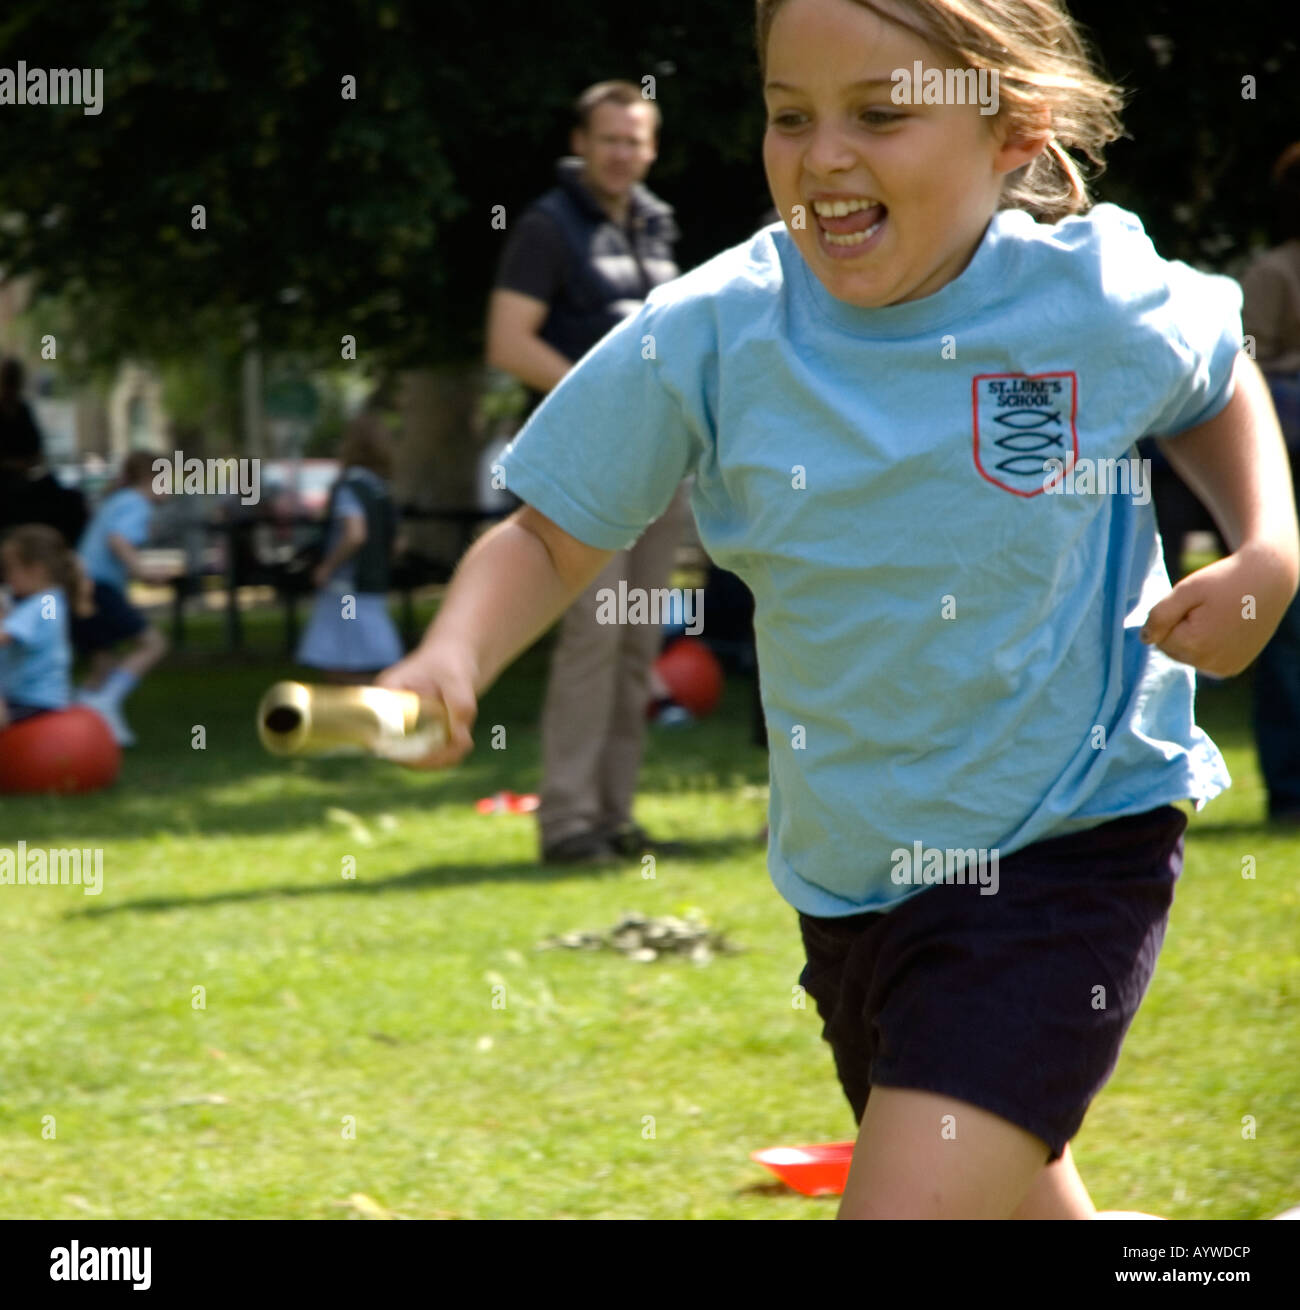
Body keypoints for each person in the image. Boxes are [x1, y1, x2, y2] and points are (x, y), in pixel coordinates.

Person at [377, 0, 1298, 1220]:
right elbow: (550, 528)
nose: (822, 157)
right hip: (852, 882)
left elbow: (1214, 371)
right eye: (788, 116)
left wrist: (1268, 551)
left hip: (1065, 844)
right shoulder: (711, 329)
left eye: (880, 116)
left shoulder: (1090, 296)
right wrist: (452, 651)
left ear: (1010, 131)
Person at [485, 79, 689, 865]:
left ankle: (613, 816)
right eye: (609, 138)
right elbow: (508, 342)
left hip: (658, 457)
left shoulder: (657, 220)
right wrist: (600, 401)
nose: (622, 153)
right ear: (580, 143)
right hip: (582, 462)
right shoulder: (546, 225)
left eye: (635, 139)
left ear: (652, 147)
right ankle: (567, 823)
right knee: (593, 640)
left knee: (638, 639)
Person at [1241, 143, 1300, 820]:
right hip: (1288, 461)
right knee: (1283, 629)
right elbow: (1249, 357)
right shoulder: (1273, 272)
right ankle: (1289, 789)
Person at [71, 450, 170, 745]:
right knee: (153, 644)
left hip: (80, 587)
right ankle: (105, 703)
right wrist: (141, 571)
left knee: (103, 662)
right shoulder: (137, 503)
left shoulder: (118, 500)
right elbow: (118, 540)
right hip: (99, 588)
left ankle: (77, 723)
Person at [295, 414, 404, 684]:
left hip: (346, 588)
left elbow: (355, 534)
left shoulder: (350, 488)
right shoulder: (381, 491)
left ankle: (355, 713)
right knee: (368, 652)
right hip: (373, 584)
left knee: (341, 657)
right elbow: (396, 542)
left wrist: (327, 567)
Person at [0, 524, 93, 729]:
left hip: (32, 700)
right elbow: (39, 629)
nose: (6, 577)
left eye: (9, 569)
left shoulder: (41, 604)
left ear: (36, 570)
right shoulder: (51, 600)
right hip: (45, 697)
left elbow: (5, 636)